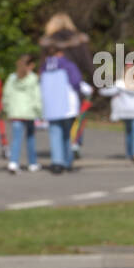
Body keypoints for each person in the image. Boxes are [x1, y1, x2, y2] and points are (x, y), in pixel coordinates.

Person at [39, 14, 94, 155]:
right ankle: (74, 143)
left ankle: (60, 151)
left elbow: (43, 66)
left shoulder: (48, 42)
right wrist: (95, 81)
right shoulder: (79, 41)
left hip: (53, 84)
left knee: (56, 118)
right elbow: (87, 62)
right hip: (74, 82)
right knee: (76, 114)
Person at [39, 45, 89, 173]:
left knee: (55, 134)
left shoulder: (43, 67)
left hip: (51, 107)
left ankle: (57, 162)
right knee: (67, 135)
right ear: (60, 53)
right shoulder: (68, 65)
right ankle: (68, 161)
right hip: (67, 106)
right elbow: (76, 82)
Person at [1, 54, 43, 173]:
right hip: (29, 113)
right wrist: (40, 112)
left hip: (15, 113)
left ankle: (13, 162)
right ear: (31, 65)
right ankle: (32, 163)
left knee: (16, 139)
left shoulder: (11, 78)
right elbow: (37, 97)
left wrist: (7, 109)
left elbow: (6, 95)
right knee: (30, 139)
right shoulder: (33, 78)